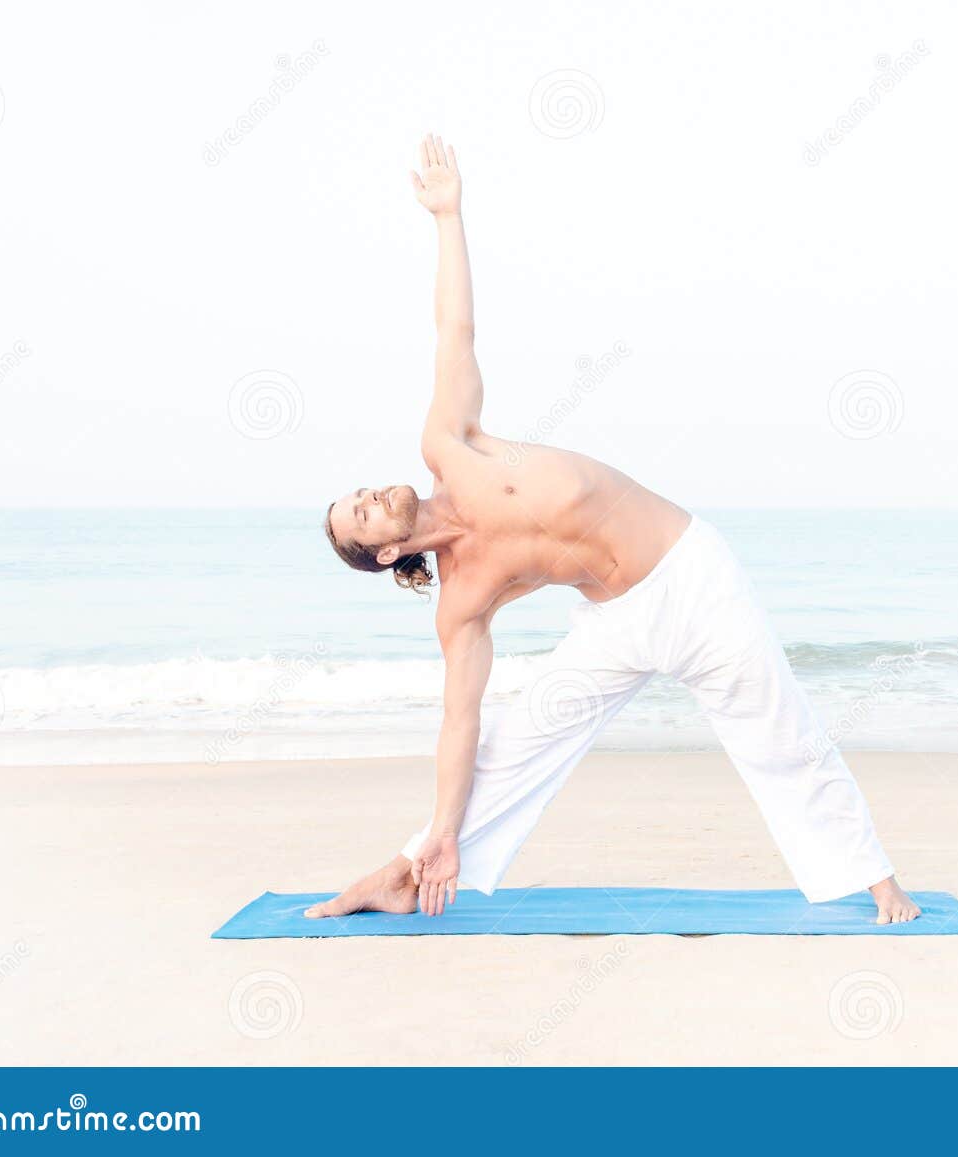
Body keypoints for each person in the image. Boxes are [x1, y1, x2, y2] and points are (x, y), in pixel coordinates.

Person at [308, 135, 919, 924]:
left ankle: (876, 881)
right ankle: (409, 865)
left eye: (360, 491)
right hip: (616, 621)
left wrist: (448, 217)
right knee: (516, 742)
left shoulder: (448, 446)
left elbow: (453, 331)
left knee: (782, 735)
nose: (371, 494)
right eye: (361, 513)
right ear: (384, 550)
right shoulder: (460, 603)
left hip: (690, 577)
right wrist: (445, 831)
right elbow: (459, 723)